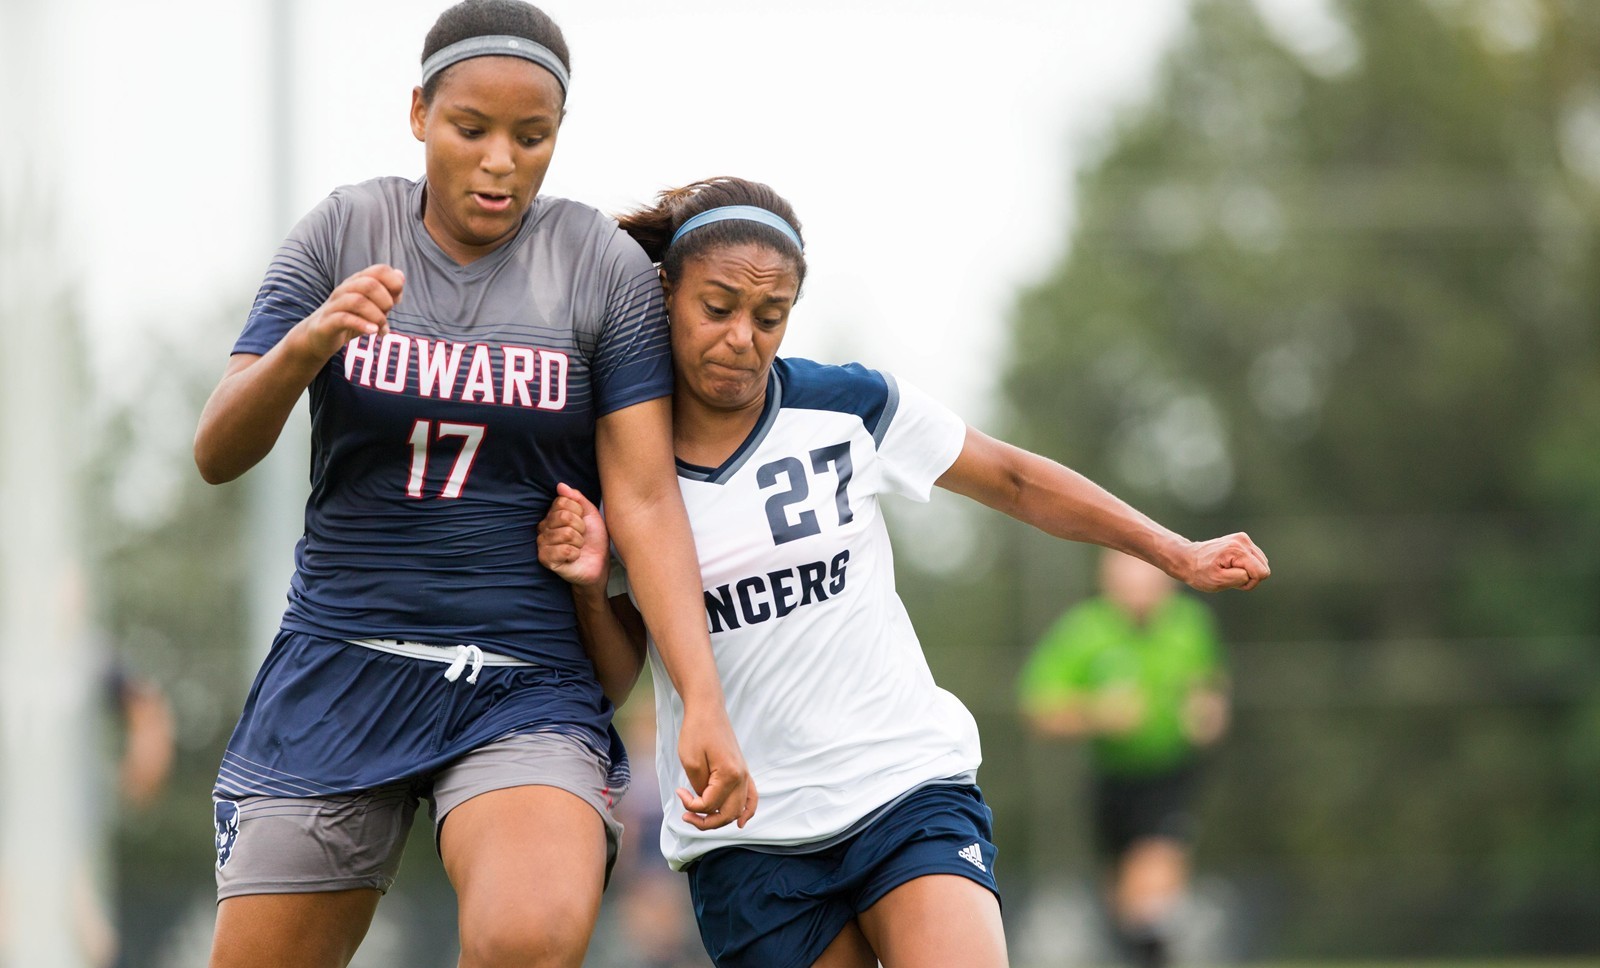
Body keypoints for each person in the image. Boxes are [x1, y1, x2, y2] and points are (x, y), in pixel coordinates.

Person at [534, 176, 1270, 968]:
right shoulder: (616, 465)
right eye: (718, 308)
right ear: (667, 292)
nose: (743, 336)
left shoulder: (849, 406)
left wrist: (1174, 551)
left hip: (905, 788)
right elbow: (618, 673)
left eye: (769, 316)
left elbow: (1015, 478)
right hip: (748, 837)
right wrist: (585, 587)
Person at [191, 3, 753, 966]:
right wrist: (308, 344)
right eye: (472, 130)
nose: (501, 160)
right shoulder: (344, 229)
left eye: (530, 137)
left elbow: (648, 499)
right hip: (340, 666)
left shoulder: (600, 269)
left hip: (520, 682)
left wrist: (700, 697)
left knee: (527, 939)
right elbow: (218, 448)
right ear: (418, 114)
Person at [1018, 550, 1230, 968]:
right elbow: (1038, 710)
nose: (1139, 589)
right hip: (1111, 780)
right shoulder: (1083, 631)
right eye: (1127, 576)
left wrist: (1208, 712)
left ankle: (1154, 944)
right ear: (1107, 579)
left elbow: (1210, 687)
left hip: (1170, 774)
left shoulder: (1190, 624)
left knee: (1153, 884)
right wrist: (1099, 714)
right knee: (1126, 908)